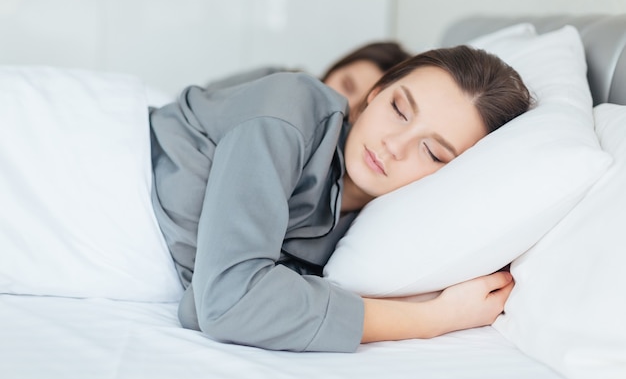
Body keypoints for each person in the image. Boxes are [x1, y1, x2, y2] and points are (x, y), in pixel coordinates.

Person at [149, 45, 532, 353]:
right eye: (399, 109)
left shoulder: (369, 237)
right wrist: (437, 317)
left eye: (431, 152)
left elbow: (204, 305)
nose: (393, 145)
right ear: (374, 95)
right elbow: (227, 303)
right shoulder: (292, 107)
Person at [204, 41, 412, 122]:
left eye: (363, 108)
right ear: (336, 67)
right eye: (346, 85)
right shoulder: (278, 79)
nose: (344, 105)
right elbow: (205, 97)